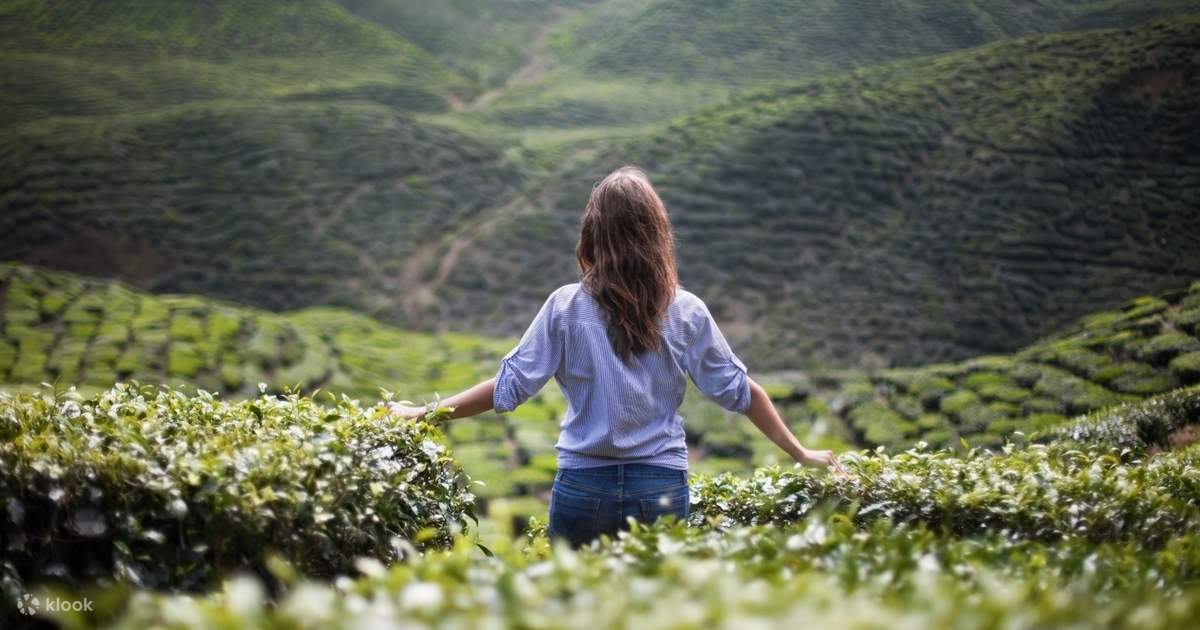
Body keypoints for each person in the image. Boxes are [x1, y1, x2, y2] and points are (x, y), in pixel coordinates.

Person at [389, 165, 844, 548]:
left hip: (583, 487)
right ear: (657, 233)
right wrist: (800, 452)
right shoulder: (685, 310)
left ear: (593, 232)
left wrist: (421, 414)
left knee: (573, 609)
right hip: (660, 485)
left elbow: (507, 389)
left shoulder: (565, 307)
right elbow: (741, 393)